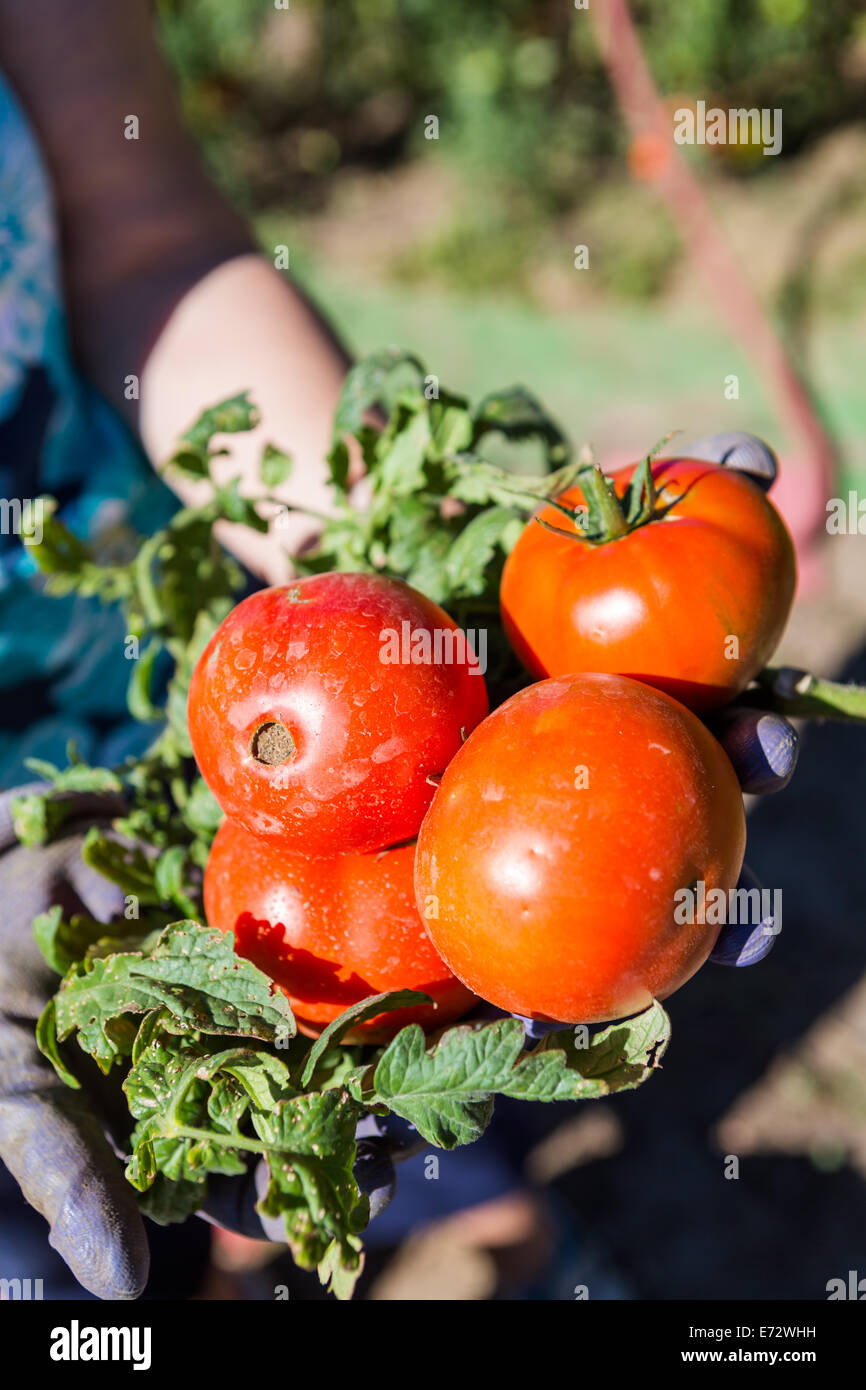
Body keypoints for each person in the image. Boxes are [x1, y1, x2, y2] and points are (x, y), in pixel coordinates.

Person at [0, 1, 799, 1300]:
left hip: (184, 664)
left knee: (390, 1095)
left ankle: (516, 1246)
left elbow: (152, 248)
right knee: (87, 1230)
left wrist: (388, 543)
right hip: (74, 837)